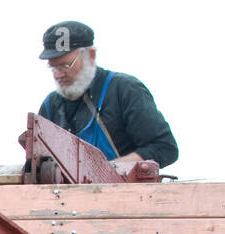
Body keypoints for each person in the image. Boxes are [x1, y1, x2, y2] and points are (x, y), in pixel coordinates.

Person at [37, 20, 178, 169]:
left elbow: (165, 147)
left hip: (125, 191)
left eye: (66, 65)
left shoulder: (125, 90)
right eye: (53, 67)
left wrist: (106, 171)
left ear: (91, 55)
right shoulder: (50, 105)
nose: (58, 75)